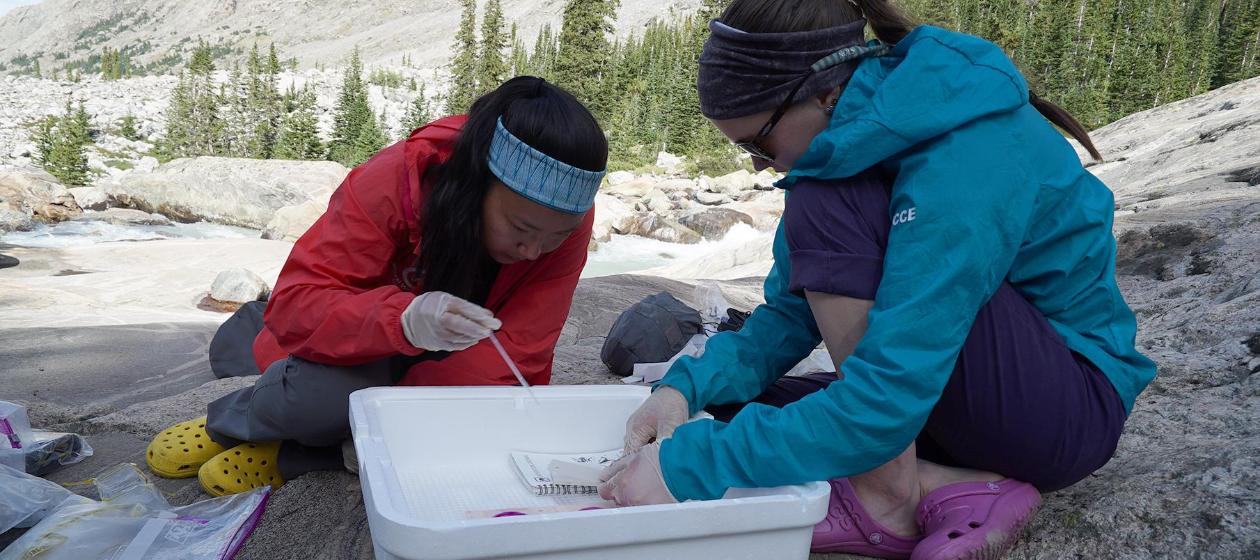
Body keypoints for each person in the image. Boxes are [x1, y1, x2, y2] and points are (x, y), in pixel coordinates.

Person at [597, 2, 1156, 559]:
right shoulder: (851, 151)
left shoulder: (961, 157)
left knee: (720, 442)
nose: (760, 168)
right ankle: (951, 484)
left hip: (1058, 411)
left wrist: (691, 468)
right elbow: (793, 313)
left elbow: (885, 399)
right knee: (718, 413)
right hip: (957, 390)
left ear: (827, 95)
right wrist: (685, 387)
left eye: (757, 146)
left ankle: (887, 499)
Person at [146, 76, 608, 497]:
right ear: (476, 183)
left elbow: (520, 349)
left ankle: (297, 455)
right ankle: (239, 420)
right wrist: (402, 322)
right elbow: (296, 306)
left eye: (556, 238)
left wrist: (400, 421)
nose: (534, 252)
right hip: (365, 341)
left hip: (463, 356)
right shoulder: (395, 181)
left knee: (485, 421)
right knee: (320, 398)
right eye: (519, 228)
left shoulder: (563, 217)